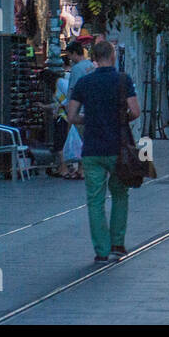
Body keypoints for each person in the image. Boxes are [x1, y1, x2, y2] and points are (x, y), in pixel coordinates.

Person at [66, 40, 141, 262]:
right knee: (120, 194)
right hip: (118, 147)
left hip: (92, 149)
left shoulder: (84, 82)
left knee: (95, 200)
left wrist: (88, 120)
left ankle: (101, 249)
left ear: (94, 59)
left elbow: (71, 116)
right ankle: (118, 243)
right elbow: (135, 111)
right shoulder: (122, 80)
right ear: (113, 56)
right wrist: (119, 118)